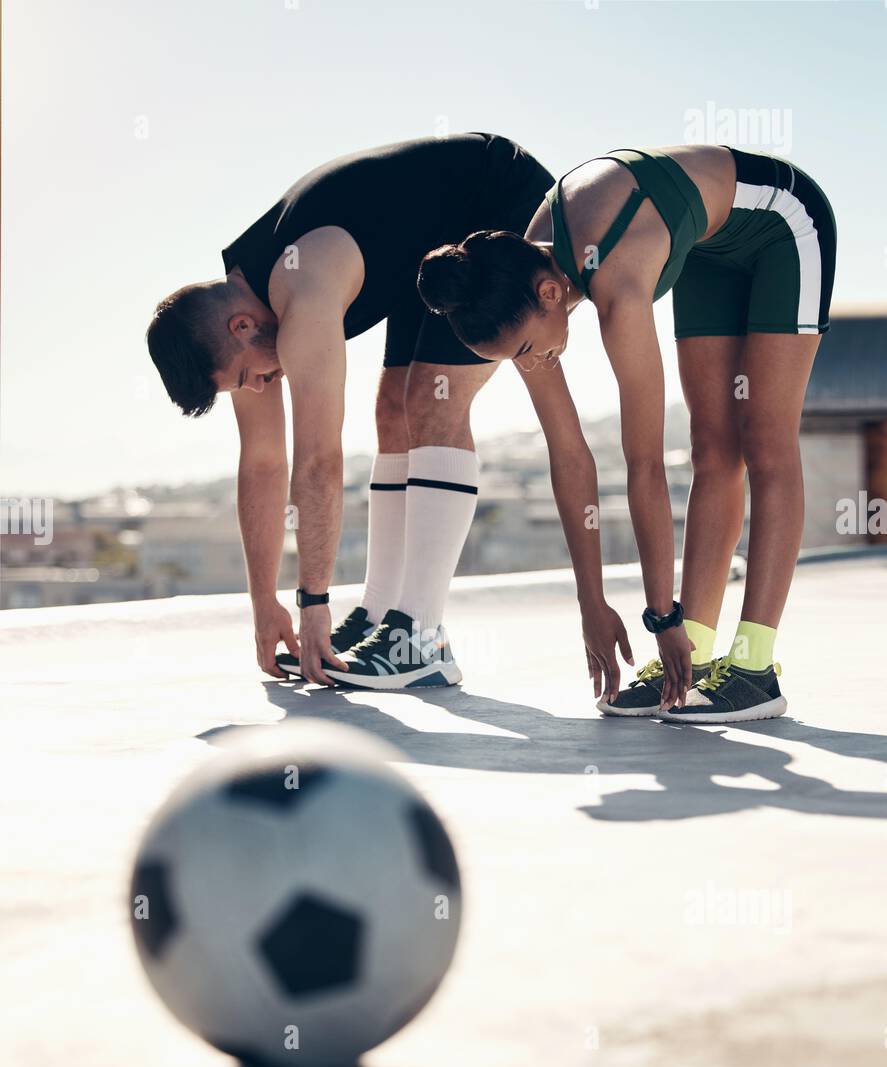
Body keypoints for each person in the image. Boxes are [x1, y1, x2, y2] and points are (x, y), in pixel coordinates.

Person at [147, 133, 627, 690]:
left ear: (241, 327)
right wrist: (264, 604)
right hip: (420, 244)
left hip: (495, 201)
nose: (258, 386)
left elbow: (319, 461)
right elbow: (262, 464)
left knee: (431, 396)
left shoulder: (303, 293)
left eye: (245, 377)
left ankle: (420, 636)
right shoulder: (244, 307)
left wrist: (313, 605)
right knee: (391, 411)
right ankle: (381, 615)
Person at [417, 145, 837, 721]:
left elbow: (644, 466)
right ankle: (691, 658)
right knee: (712, 449)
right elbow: (569, 455)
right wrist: (593, 605)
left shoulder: (618, 282)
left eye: (524, 350)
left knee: (763, 438)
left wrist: (657, 615)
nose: (534, 362)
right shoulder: (512, 276)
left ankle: (754, 668)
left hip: (784, 225)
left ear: (548, 295)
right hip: (707, 250)